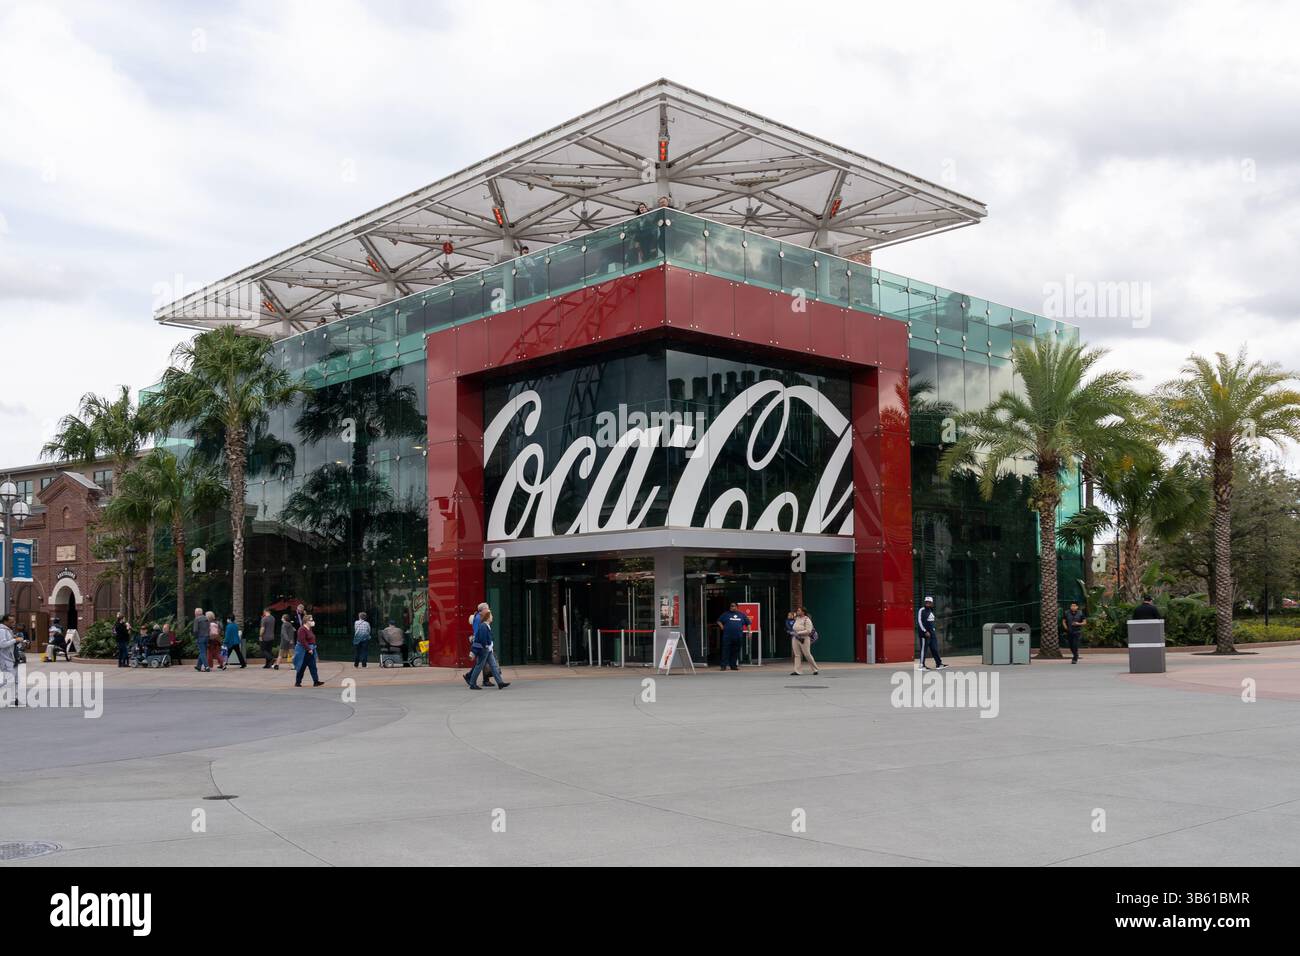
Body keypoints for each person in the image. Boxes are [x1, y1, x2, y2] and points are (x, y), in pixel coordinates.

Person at [464, 609, 509, 690]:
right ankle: (472, 684)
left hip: (488, 650)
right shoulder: (483, 626)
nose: (492, 617)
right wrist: (486, 646)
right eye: (491, 615)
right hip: (484, 650)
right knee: (479, 666)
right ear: (487, 617)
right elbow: (482, 639)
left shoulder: (486, 626)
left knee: (494, 666)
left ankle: (500, 683)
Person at [464, 602, 495, 687]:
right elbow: (479, 631)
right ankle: (471, 677)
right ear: (484, 609)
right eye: (487, 608)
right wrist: (482, 642)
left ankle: (482, 679)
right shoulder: (479, 618)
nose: (489, 610)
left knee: (482, 662)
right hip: (480, 643)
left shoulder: (478, 616)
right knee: (481, 662)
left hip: (480, 642)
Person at [717, 603, 750, 672]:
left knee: (735, 652)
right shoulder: (726, 614)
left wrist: (749, 632)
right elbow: (719, 621)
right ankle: (723, 666)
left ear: (737, 607)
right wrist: (722, 627)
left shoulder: (741, 614)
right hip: (727, 636)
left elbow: (748, 623)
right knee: (725, 651)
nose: (732, 607)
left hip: (738, 636)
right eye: (731, 606)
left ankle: (733, 666)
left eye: (734, 606)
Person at [294, 614, 325, 687]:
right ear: (306, 621)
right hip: (304, 651)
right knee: (302, 667)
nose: (312, 622)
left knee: (313, 666)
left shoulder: (309, 629)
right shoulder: (302, 629)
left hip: (311, 650)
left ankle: (316, 681)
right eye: (311, 620)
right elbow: (302, 640)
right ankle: (298, 682)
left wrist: (312, 649)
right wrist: (308, 649)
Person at [917, 596, 946, 669]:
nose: (927, 603)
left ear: (932, 603)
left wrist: (936, 627)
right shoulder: (922, 610)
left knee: (934, 648)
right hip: (924, 634)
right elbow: (919, 621)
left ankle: (939, 664)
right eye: (926, 602)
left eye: (929, 602)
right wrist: (925, 631)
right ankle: (921, 665)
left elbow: (932, 621)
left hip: (932, 634)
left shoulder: (931, 610)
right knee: (924, 649)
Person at [790, 606, 820, 676]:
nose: (797, 612)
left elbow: (808, 631)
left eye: (799, 611)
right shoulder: (797, 618)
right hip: (795, 638)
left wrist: (799, 632)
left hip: (804, 639)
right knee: (797, 655)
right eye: (797, 611)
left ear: (803, 612)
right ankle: (797, 671)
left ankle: (815, 669)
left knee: (807, 654)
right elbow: (793, 623)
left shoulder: (807, 620)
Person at [0, 614, 21, 707]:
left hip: (13, 658)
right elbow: (3, 644)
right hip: (5, 658)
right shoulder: (2, 631)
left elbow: (12, 645)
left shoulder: (9, 631)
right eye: (11, 621)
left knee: (15, 679)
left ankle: (15, 698)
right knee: (9, 680)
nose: (13, 623)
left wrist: (20, 642)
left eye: (14, 621)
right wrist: (15, 640)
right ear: (5, 621)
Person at [193, 608, 211, 672]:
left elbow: (195, 630)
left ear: (197, 613)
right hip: (207, 637)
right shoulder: (206, 618)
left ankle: (206, 666)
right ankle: (198, 666)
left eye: (195, 612)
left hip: (200, 637)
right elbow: (209, 628)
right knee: (203, 652)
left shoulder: (197, 619)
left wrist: (195, 637)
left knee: (202, 652)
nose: (194, 613)